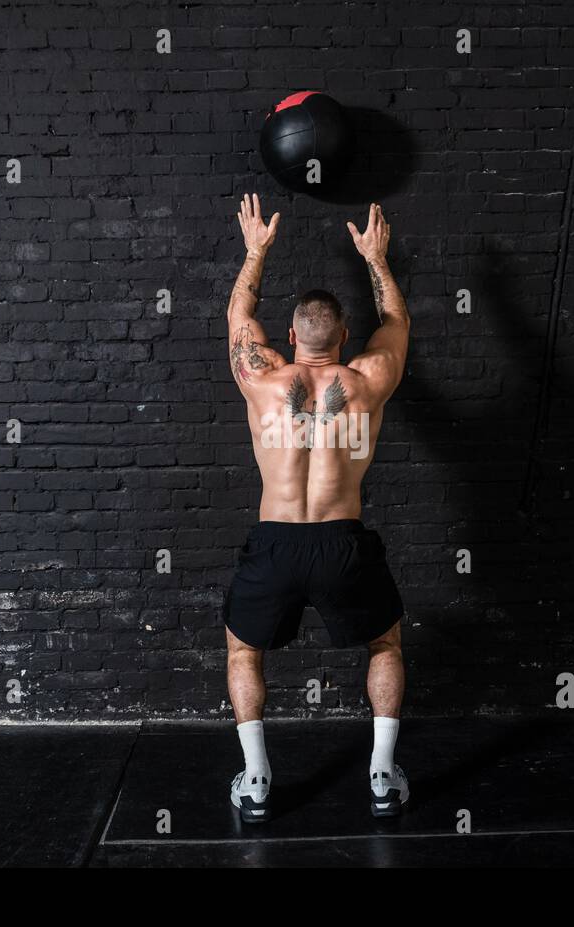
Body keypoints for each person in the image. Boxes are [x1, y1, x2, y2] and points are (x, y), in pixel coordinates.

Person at [222, 194, 412, 822]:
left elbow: (238, 312)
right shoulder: (368, 381)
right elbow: (398, 323)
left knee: (243, 652)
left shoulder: (260, 377)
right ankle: (381, 772)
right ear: (344, 336)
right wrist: (376, 260)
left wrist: (256, 253)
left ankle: (255, 778)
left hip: (275, 542)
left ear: (290, 337)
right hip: (342, 541)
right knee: (383, 644)